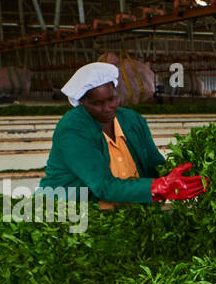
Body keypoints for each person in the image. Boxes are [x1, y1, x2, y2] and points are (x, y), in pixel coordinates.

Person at [37, 62, 205, 207]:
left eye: (111, 99)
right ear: (82, 102)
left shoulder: (132, 120)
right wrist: (156, 187)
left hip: (124, 209)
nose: (107, 107)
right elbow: (103, 185)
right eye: (97, 103)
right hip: (70, 209)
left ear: (117, 92)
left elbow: (154, 164)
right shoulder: (73, 129)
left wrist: (177, 177)